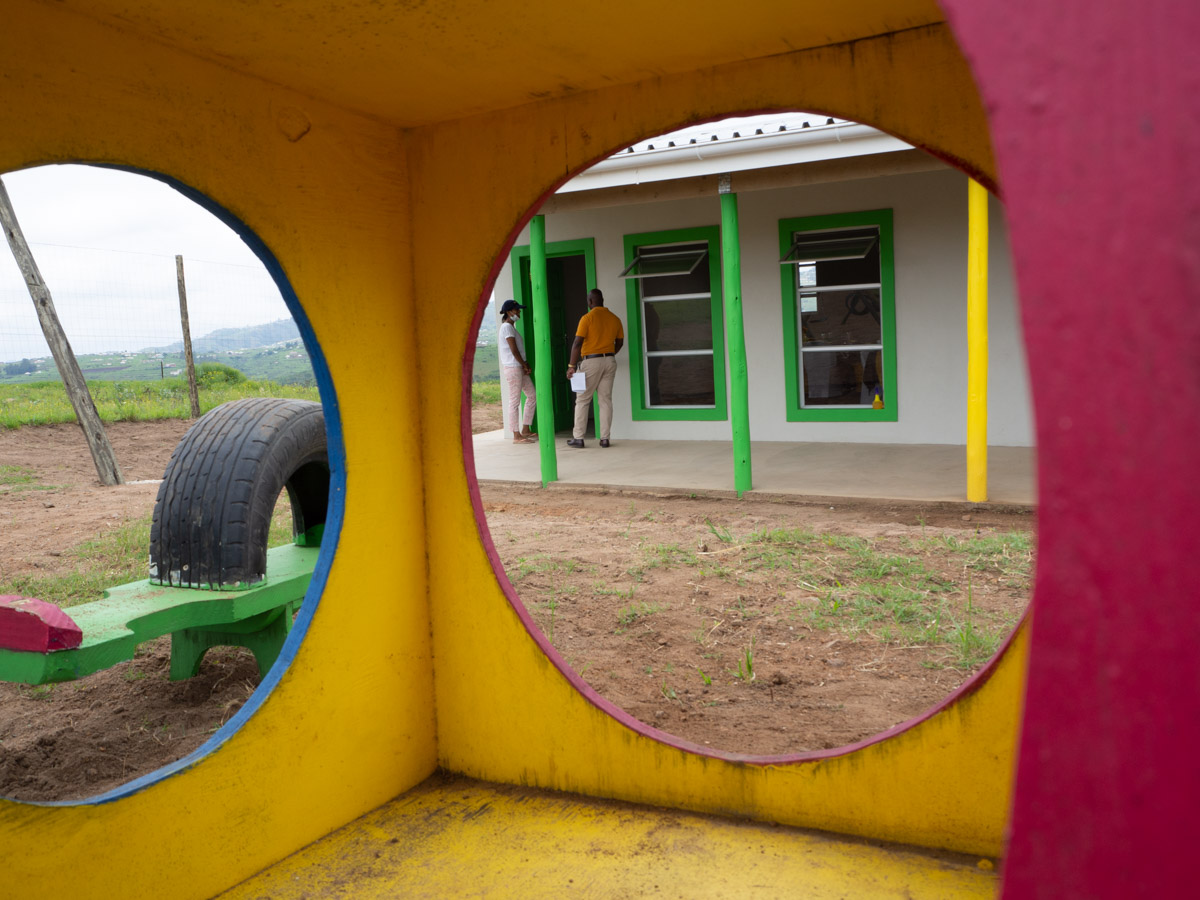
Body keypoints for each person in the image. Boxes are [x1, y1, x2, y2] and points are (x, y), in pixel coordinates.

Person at [565, 288, 623, 448]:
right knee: (605, 400)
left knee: (583, 399)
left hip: (591, 362)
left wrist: (571, 365)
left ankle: (578, 438)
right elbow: (620, 343)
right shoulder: (615, 319)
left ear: (590, 302)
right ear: (602, 300)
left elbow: (577, 343)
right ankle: (605, 439)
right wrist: (609, 354)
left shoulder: (587, 318)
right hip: (610, 360)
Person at [497, 299, 537, 443]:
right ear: (509, 312)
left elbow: (517, 351)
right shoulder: (507, 327)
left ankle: (525, 429)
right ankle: (516, 435)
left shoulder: (512, 328)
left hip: (518, 367)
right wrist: (524, 365)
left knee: (532, 396)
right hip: (513, 367)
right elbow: (514, 350)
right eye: (517, 310)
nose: (519, 312)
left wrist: (524, 365)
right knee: (514, 401)